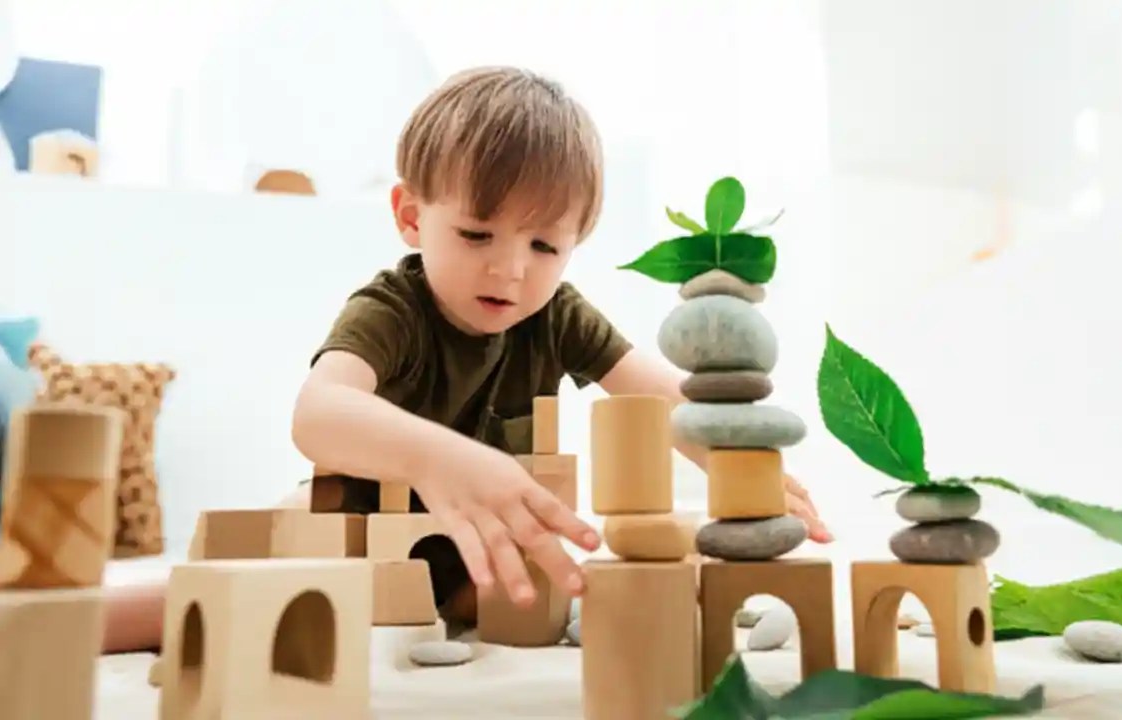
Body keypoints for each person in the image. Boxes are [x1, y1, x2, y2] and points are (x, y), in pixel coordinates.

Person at [98, 65, 829, 654]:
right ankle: (81, 621)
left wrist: (743, 470)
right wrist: (440, 459)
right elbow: (317, 414)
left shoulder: (557, 313)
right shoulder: (392, 308)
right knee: (253, 576)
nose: (510, 270)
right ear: (411, 216)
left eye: (544, 246)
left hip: (476, 550)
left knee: (567, 592)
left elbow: (659, 398)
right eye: (477, 235)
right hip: (355, 525)